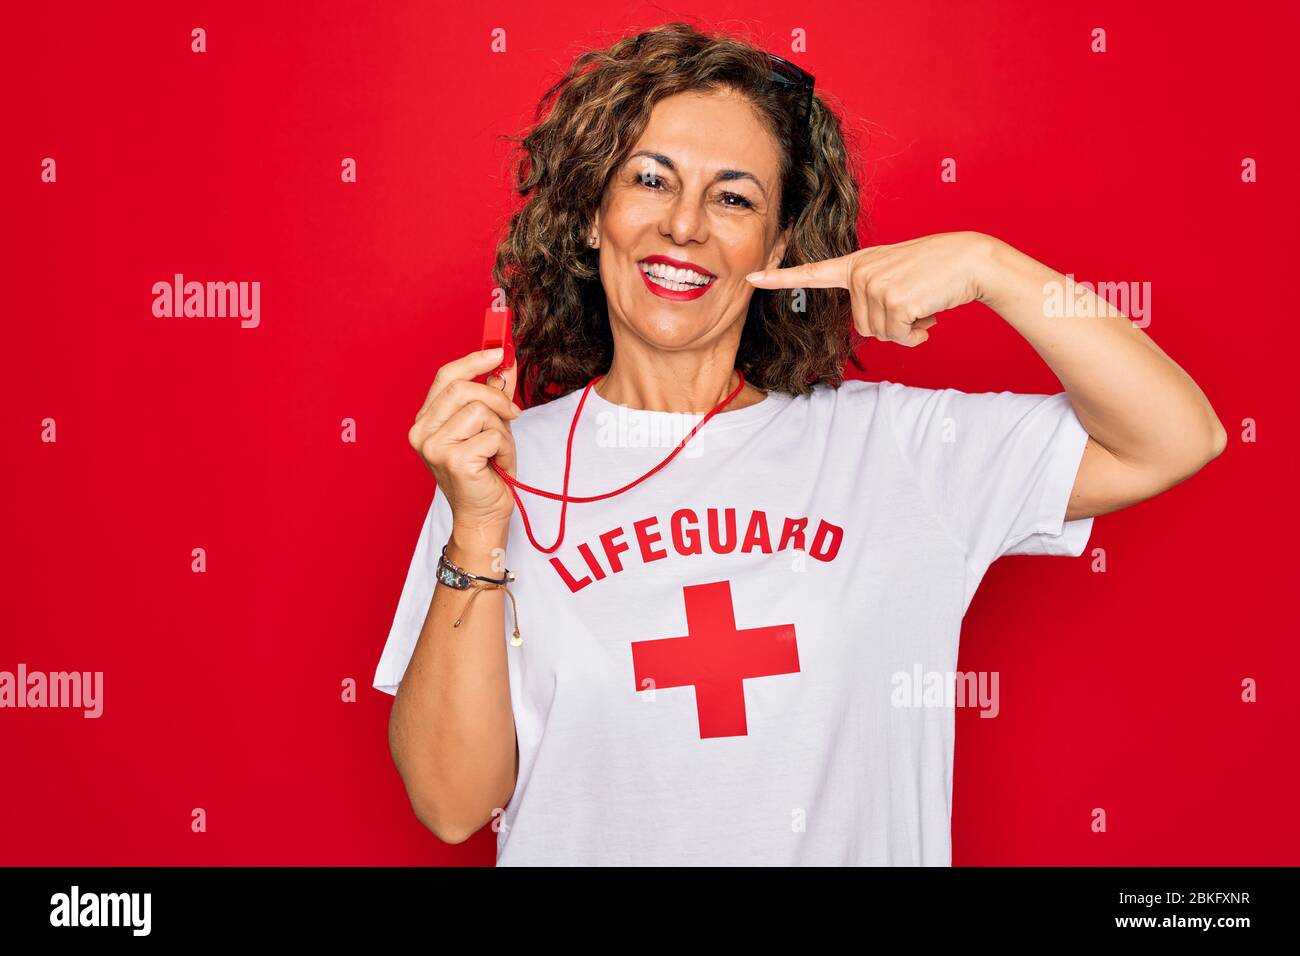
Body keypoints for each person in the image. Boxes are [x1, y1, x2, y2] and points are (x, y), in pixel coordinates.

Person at [373, 22, 1226, 865]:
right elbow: (453, 806)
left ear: (779, 245)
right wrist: (477, 530)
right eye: (650, 181)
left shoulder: (896, 449)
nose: (684, 226)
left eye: (734, 197)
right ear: (594, 217)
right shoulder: (491, 464)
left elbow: (1175, 438)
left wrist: (991, 266)